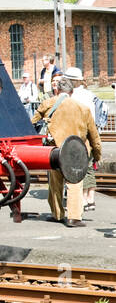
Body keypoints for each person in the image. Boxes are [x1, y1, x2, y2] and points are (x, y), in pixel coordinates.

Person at [32, 76, 103, 226]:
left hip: (54, 150)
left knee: (55, 183)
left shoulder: (48, 103)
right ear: (71, 91)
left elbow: (32, 123)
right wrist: (97, 155)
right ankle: (74, 217)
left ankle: (57, 214)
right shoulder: (83, 108)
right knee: (74, 183)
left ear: (57, 90)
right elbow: (94, 136)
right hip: (75, 151)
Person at [64, 67, 102, 211]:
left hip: (77, 135)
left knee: (77, 167)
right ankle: (89, 199)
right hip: (91, 133)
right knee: (90, 167)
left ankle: (81, 200)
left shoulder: (72, 96)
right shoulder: (89, 94)